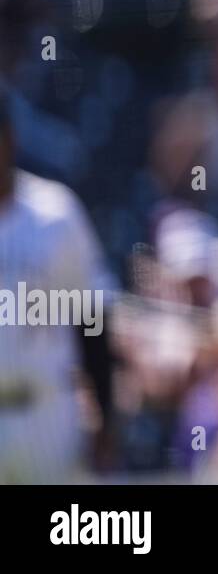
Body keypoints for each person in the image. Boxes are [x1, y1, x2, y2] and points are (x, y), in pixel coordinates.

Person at [0, 84, 116, 482]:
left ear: (9, 138)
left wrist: (105, 409)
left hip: (47, 413)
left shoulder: (55, 213)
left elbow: (92, 316)